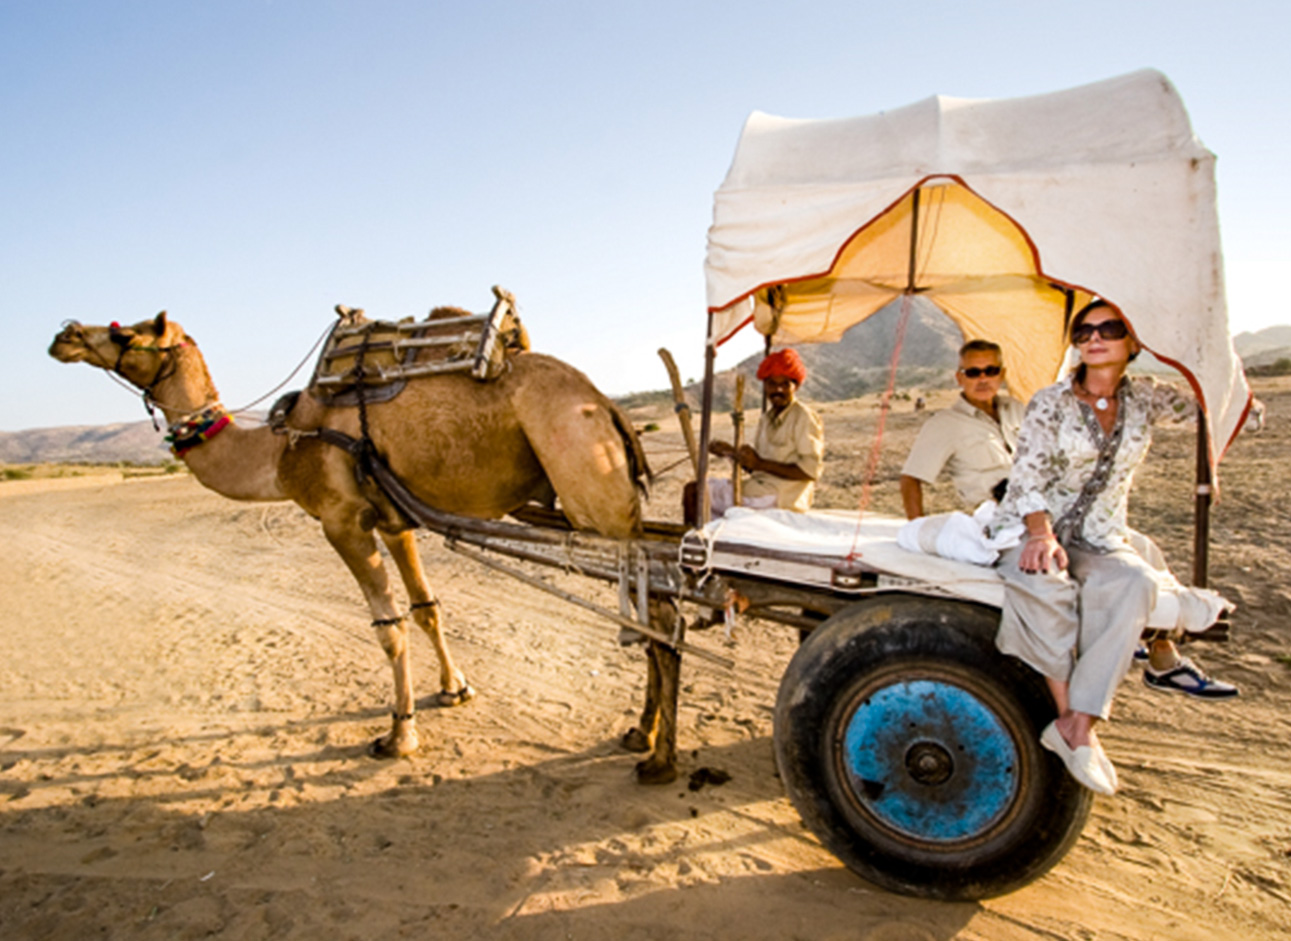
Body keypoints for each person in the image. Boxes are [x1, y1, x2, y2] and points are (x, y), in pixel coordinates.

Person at [990, 300, 1230, 795]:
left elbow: (1221, 409)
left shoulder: (1146, 399)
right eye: (1085, 331)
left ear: (1135, 341)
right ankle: (1073, 724)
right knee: (1045, 586)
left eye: (1110, 328)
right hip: (1033, 526)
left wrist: (1223, 372)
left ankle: (1079, 723)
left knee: (1137, 582)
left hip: (1099, 534)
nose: (1094, 337)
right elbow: (1028, 474)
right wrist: (1039, 532)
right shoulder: (1050, 402)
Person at [900, 339, 1025, 519]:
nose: (983, 379)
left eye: (991, 371)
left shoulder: (1018, 410)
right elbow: (911, 479)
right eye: (973, 373)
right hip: (997, 519)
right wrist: (916, 527)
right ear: (959, 378)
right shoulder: (945, 424)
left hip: (1041, 509)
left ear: (1002, 374)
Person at [701, 348, 825, 517]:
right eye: (772, 384)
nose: (778, 390)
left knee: (696, 492)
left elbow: (810, 471)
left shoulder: (803, 417)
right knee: (701, 489)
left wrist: (759, 463)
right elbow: (757, 468)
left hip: (781, 498)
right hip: (760, 488)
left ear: (795, 386)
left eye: (785, 384)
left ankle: (695, 543)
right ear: (765, 386)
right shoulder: (766, 418)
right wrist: (731, 452)